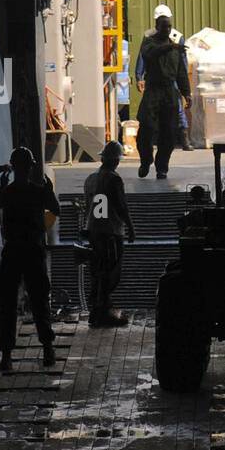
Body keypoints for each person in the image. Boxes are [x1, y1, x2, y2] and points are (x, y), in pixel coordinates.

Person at [0, 147, 61, 371]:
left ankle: (7, 356)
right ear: (31, 168)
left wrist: (0, 189)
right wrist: (48, 190)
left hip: (12, 251)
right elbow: (55, 209)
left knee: (8, 304)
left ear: (12, 168)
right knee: (40, 301)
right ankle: (48, 349)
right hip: (33, 250)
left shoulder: (7, 192)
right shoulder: (39, 192)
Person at [83, 140, 137, 328]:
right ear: (116, 160)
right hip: (110, 232)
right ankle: (102, 312)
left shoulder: (91, 178)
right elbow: (121, 206)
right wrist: (130, 227)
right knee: (109, 272)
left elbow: (92, 207)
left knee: (97, 271)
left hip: (93, 230)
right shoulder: (114, 179)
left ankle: (96, 311)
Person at [135, 4, 191, 180]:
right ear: (157, 27)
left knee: (168, 133)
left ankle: (162, 168)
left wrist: (186, 93)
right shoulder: (150, 42)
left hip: (169, 92)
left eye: (169, 26)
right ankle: (146, 160)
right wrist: (139, 77)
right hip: (153, 91)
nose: (167, 29)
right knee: (146, 129)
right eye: (164, 26)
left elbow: (181, 71)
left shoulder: (175, 48)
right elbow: (148, 55)